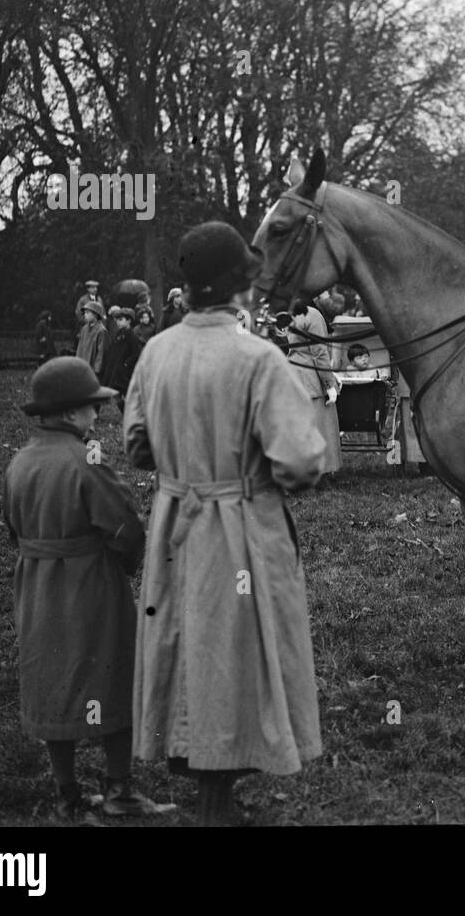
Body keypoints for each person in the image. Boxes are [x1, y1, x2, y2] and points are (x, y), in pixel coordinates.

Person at [124, 221, 328, 825]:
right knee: (235, 650)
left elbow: (137, 445)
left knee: (189, 643)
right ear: (242, 288)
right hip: (240, 525)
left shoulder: (156, 351)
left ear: (188, 287)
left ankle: (209, 791)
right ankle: (216, 803)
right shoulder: (258, 357)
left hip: (174, 523)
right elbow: (298, 461)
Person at [3, 357, 174, 823]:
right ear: (68, 413)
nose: (97, 416)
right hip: (91, 586)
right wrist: (128, 564)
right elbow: (124, 527)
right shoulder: (85, 461)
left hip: (36, 585)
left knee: (50, 682)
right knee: (112, 674)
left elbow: (11, 529)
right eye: (90, 408)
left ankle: (67, 795)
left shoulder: (18, 462)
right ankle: (119, 790)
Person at [288, 298, 343, 481]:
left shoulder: (292, 314)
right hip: (312, 377)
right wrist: (329, 384)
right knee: (320, 428)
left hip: (295, 373)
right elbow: (319, 352)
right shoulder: (313, 315)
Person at [101, 307, 143, 411]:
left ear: (128, 321)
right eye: (117, 320)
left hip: (125, 372)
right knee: (116, 394)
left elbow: (136, 353)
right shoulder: (118, 334)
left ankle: (132, 414)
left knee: (128, 394)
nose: (117, 323)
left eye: (120, 320)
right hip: (117, 371)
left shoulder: (132, 336)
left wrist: (126, 363)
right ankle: (126, 414)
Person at [75, 301, 107, 378]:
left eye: (87, 313)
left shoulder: (101, 330)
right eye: (84, 313)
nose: (85, 315)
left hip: (92, 369)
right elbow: (80, 347)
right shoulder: (84, 329)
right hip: (82, 365)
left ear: (95, 314)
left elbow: (101, 352)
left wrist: (97, 369)